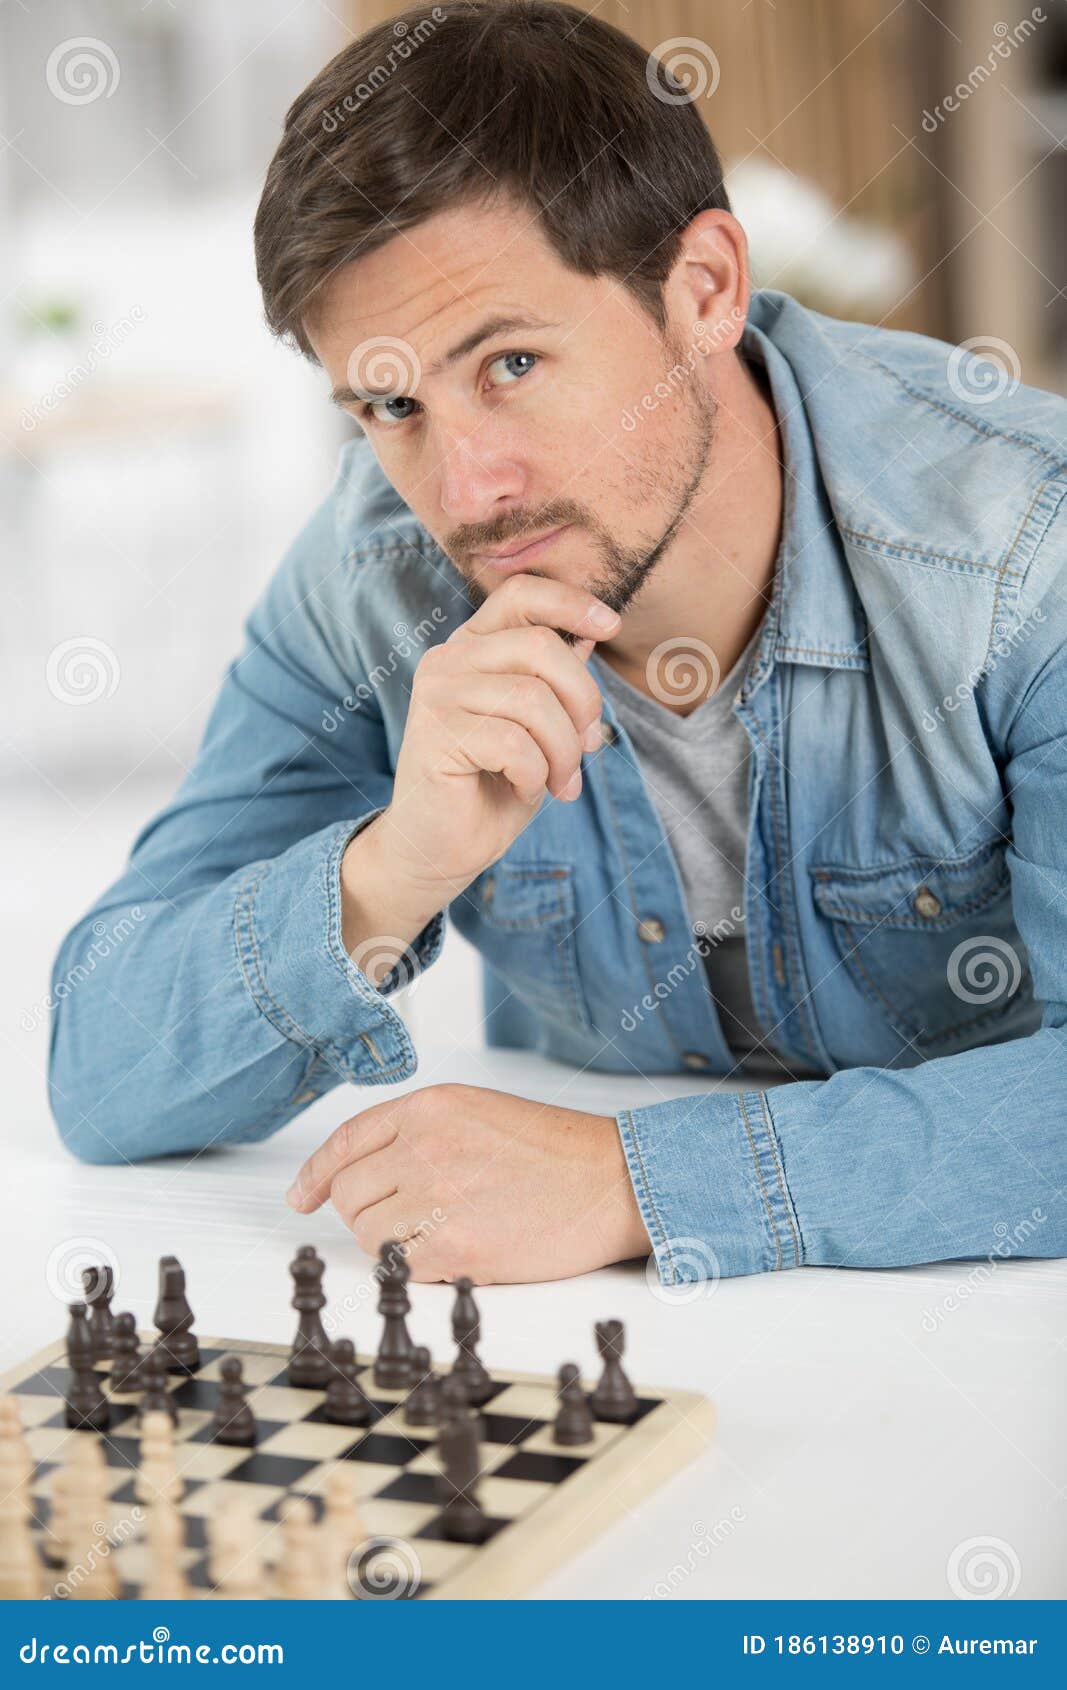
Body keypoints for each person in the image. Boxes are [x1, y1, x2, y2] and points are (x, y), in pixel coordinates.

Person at [49, 1, 1066, 1289]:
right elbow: (100, 1072)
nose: (466, 490)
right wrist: (390, 870)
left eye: (513, 364)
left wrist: (635, 1183)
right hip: (618, 1344)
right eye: (392, 404)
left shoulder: (1026, 551)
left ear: (704, 290)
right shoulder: (370, 584)